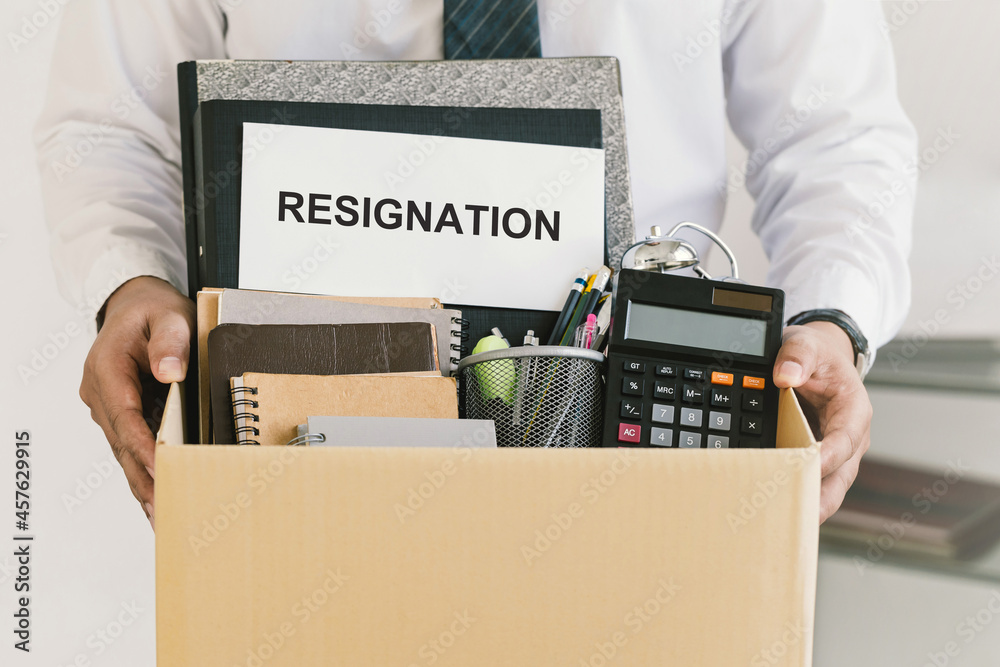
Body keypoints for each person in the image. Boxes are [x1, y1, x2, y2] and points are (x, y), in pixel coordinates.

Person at [35, 0, 917, 528]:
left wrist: (837, 312)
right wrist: (131, 276)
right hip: (289, 442)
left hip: (630, 433)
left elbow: (836, 133)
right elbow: (111, 121)